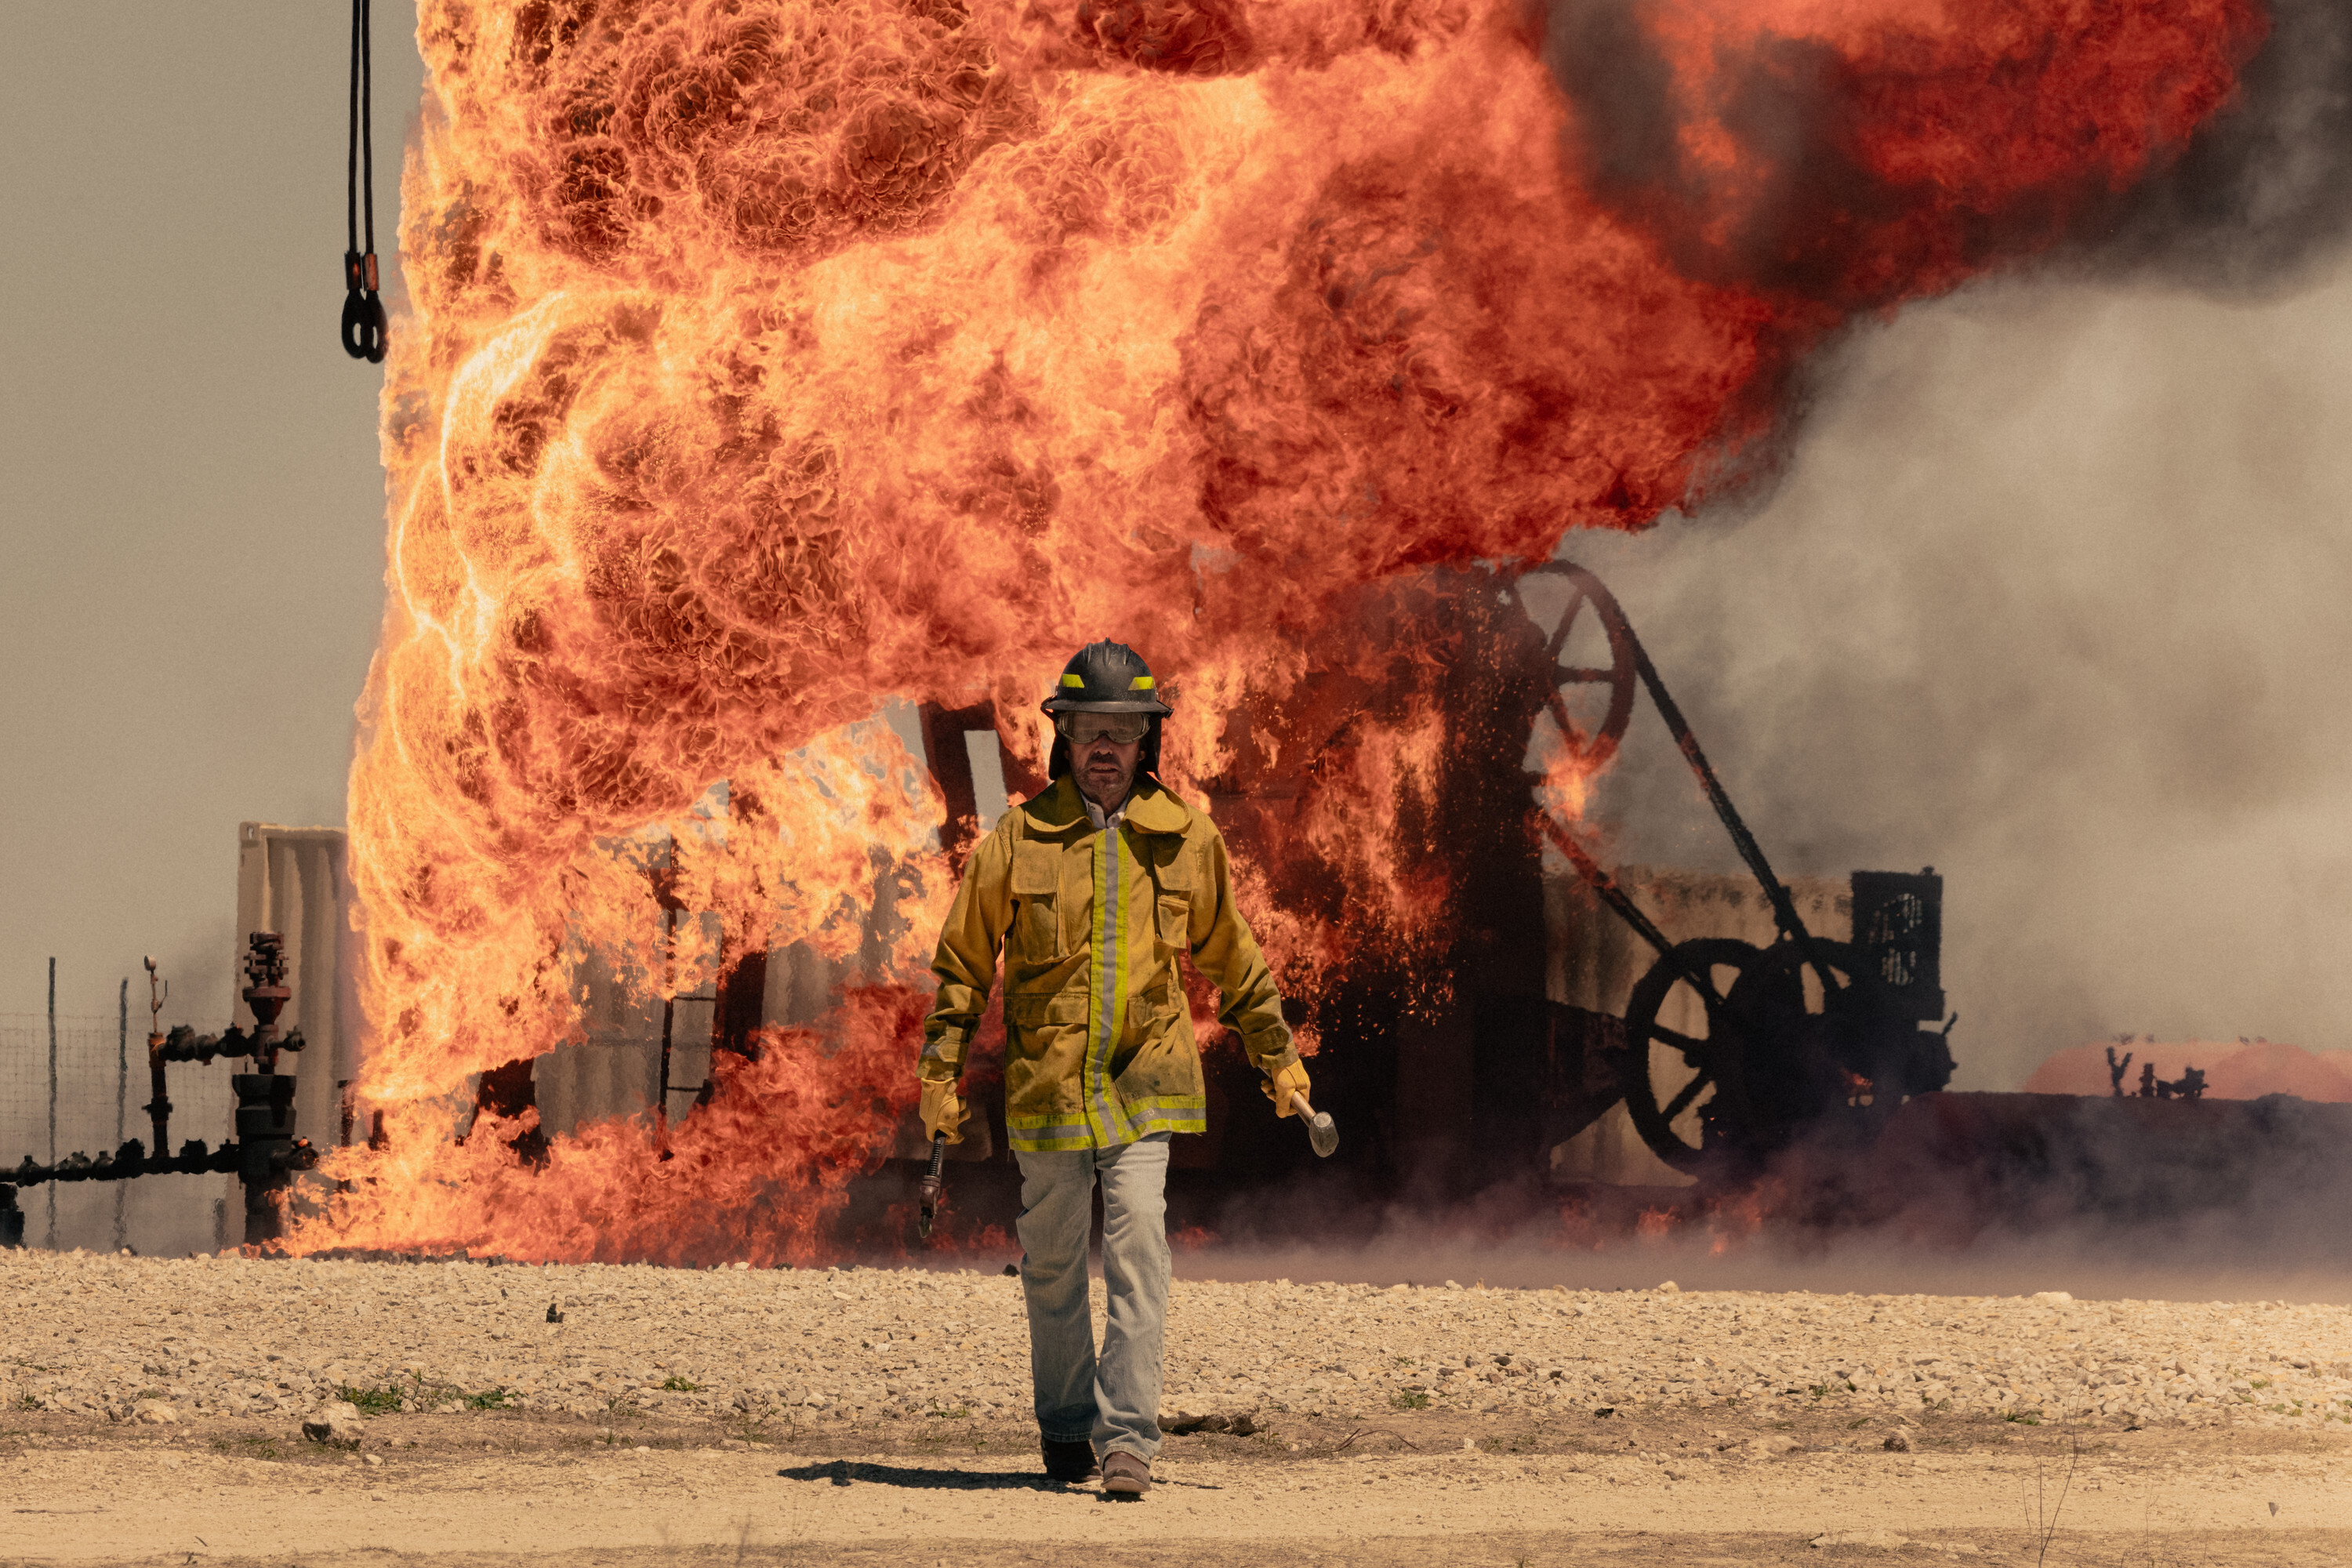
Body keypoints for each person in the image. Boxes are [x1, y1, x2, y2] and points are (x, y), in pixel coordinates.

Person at [915, 639, 1308, 1499]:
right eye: (1089, 727)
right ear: (1064, 735)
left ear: (1146, 743)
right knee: (1053, 1260)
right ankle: (1065, 1423)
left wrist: (1279, 1057)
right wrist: (939, 1075)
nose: (1104, 746)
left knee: (1140, 1247)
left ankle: (1128, 1438)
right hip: (1049, 1090)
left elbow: (1234, 959)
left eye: (1122, 730)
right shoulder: (1017, 841)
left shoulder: (1186, 841)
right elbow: (963, 966)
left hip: (1145, 1084)